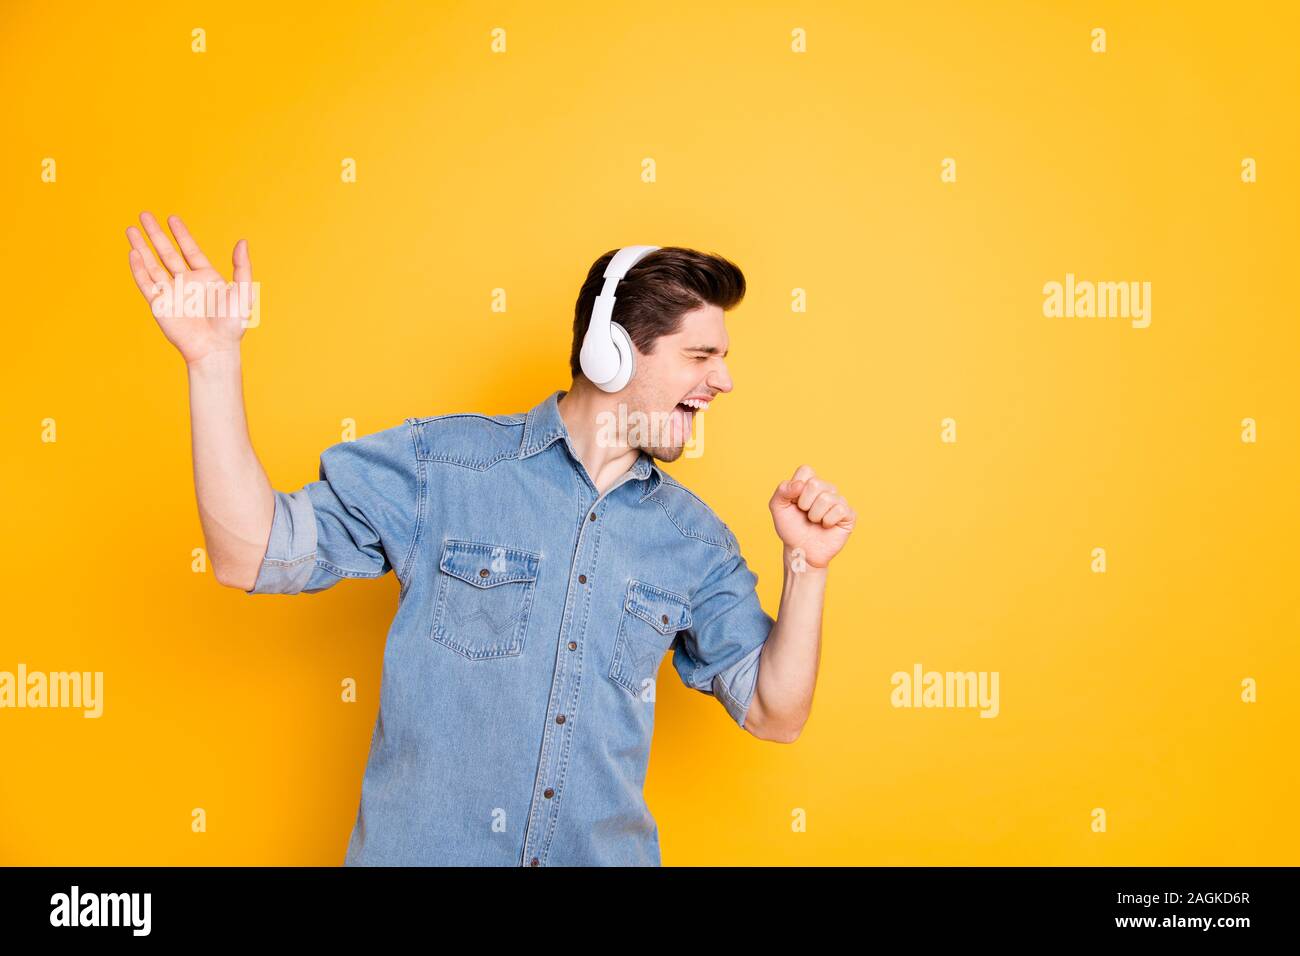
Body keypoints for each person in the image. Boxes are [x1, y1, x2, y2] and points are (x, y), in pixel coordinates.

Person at [124, 213, 857, 866]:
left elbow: (775, 712)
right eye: (701, 356)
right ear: (613, 352)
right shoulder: (442, 468)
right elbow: (250, 552)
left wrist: (807, 566)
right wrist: (213, 364)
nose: (723, 381)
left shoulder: (695, 543)